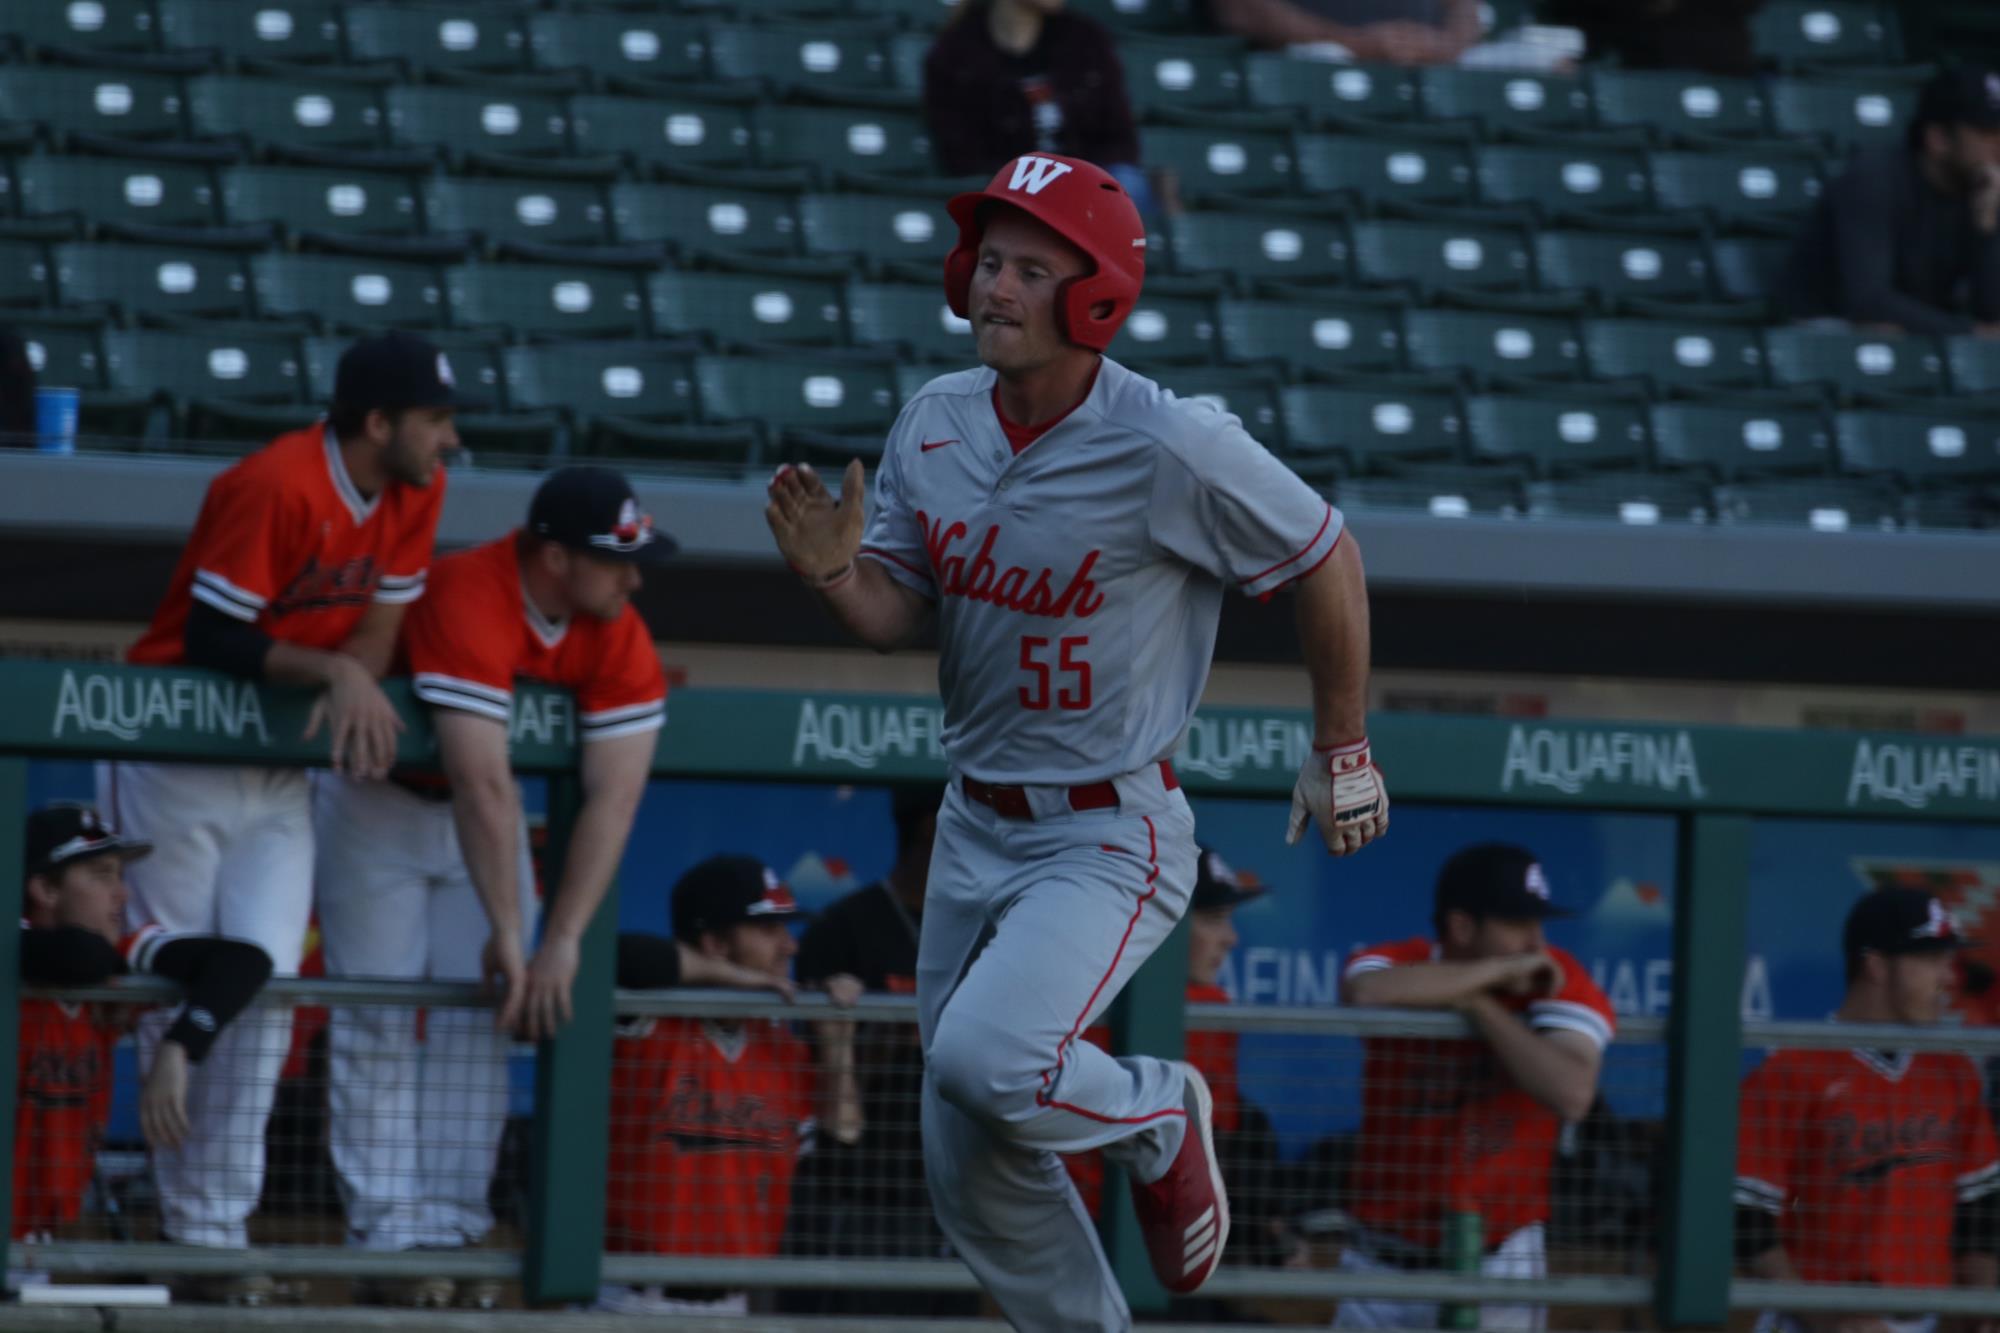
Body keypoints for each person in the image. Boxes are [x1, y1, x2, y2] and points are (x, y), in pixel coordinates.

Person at [763, 151, 1387, 1331]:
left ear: (1094, 295)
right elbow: (897, 613)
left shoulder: (1168, 441)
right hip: (971, 820)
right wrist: (836, 576)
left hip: (1105, 827)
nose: (994, 285)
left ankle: (1156, 1112)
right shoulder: (934, 418)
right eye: (988, 260)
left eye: (1030, 270)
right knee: (966, 1165)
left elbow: (1325, 552)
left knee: (985, 1061)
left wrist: (1340, 745)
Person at [100, 331, 455, 1295]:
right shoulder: (277, 482)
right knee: (175, 972)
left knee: (268, 986)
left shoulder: (418, 489)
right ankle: (194, 1236)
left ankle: (218, 1226)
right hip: (178, 745)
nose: (450, 439)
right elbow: (214, 633)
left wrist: (355, 675)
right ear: (376, 422)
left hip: (279, 767)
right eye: (434, 419)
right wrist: (334, 671)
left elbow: (379, 624)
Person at [310, 465, 677, 1307]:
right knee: (378, 1012)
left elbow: (614, 799)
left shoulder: (616, 629)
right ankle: (388, 1239)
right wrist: (513, 931)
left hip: (480, 817)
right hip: (380, 803)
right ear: (554, 556)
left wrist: (562, 939)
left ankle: (452, 1229)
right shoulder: (469, 589)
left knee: (487, 1012)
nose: (634, 579)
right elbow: (481, 782)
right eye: (616, 558)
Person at [1336, 843, 1614, 1331]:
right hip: (1383, 1262)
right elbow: (1366, 990)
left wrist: (1478, 1007)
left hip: (1499, 1259)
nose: (1536, 942)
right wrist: (1498, 975)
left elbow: (1572, 1094)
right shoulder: (1407, 959)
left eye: (1539, 923)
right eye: (1518, 924)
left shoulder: (1553, 974)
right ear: (1462, 927)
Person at [599, 855, 863, 1317]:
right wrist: (737, 979)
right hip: (629, 1298)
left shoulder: (781, 1046)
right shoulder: (645, 1020)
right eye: (769, 929)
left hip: (732, 1304)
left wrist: (837, 1044)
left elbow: (842, 1144)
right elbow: (615, 956)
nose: (789, 947)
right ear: (715, 943)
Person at [1735, 888, 2000, 1333]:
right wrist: (1828, 1320)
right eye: (1931, 960)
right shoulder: (1792, 1068)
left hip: (1926, 1321)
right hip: (1810, 1322)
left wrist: (1979, 1306)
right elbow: (1745, 1221)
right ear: (1875, 965)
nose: (1949, 978)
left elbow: (1981, 1210)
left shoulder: (1955, 1071)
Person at [14, 805, 273, 1253]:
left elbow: (245, 962)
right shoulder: (22, 947)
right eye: (101, 875)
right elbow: (76, 956)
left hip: (37, 1234)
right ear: (45, 889)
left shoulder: (113, 953)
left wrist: (179, 1046)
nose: (122, 894)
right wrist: (108, 964)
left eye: (120, 875)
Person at [780, 784, 979, 1317]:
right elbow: (820, 1078)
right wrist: (887, 1039)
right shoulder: (843, 927)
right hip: (864, 1190)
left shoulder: (983, 929)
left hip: (959, 1187)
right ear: (929, 829)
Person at [1775, 66, 2000, 337]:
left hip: (1919, 333)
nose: (1998, 145)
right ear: (1938, 139)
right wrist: (1969, 332)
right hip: (1825, 333)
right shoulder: (1872, 179)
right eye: (1987, 132)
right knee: (1882, 331)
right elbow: (1867, 302)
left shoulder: (1984, 188)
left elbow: (1991, 311)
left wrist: (1986, 230)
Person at [922, 0, 1153, 214]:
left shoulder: (1085, 39)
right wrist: (1032, 183)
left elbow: (1121, 139)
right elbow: (961, 156)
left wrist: (1075, 182)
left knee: (1126, 183)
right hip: (1009, 191)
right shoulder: (955, 54)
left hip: (1085, 188)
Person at [1207, 0, 1580, 72]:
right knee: (1320, 62)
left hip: (1436, 56)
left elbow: (1464, 7)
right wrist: (1354, 42)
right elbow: (1239, 9)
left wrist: (1448, 43)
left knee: (1555, 64)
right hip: (1323, 55)